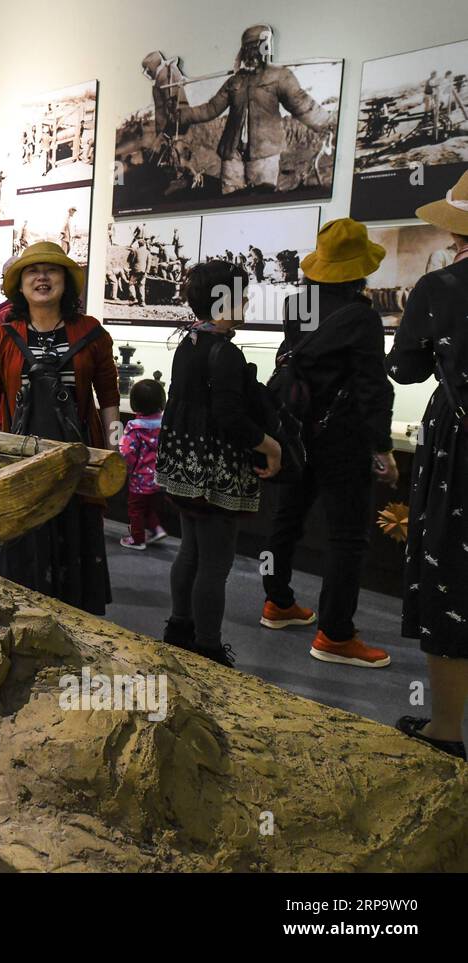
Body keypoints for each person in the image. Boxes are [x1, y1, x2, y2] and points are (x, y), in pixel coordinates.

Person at [261, 218, 397, 668]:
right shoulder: (362, 318)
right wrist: (382, 447)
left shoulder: (298, 303)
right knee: (346, 537)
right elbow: (371, 387)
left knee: (286, 520)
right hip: (343, 439)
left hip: (297, 430)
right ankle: (336, 634)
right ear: (360, 268)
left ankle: (277, 602)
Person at [0, 242, 120, 614]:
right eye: (31, 272)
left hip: (78, 460)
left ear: (66, 283)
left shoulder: (92, 332)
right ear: (20, 286)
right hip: (21, 462)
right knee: (26, 540)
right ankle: (25, 620)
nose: (42, 277)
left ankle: (74, 625)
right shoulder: (2, 335)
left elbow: (108, 396)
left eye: (52, 270)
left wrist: (114, 447)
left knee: (75, 539)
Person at [156, 260, 281, 667]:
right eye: (242, 296)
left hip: (185, 465)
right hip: (213, 473)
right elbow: (230, 417)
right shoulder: (224, 352)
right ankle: (208, 646)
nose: (246, 302)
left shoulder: (189, 341)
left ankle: (179, 628)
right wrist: (271, 446)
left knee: (190, 550)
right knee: (215, 562)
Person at [387, 171, 468, 759]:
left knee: (452, 576)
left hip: (459, 447)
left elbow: (408, 370)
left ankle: (446, 728)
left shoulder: (440, 288)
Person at [177, 24, 334, 195]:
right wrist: (182, 116)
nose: (250, 54)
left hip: (265, 154)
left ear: (263, 48)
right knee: (230, 200)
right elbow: (211, 109)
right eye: (247, 49)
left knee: (262, 200)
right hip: (232, 154)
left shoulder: (279, 77)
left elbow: (300, 104)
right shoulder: (235, 81)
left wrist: (327, 123)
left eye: (254, 48)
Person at [119, 379, 168, 550]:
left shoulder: (135, 427)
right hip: (159, 477)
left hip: (139, 479)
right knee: (148, 506)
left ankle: (137, 539)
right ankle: (156, 529)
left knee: (135, 509)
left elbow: (127, 452)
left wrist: (127, 470)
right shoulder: (164, 424)